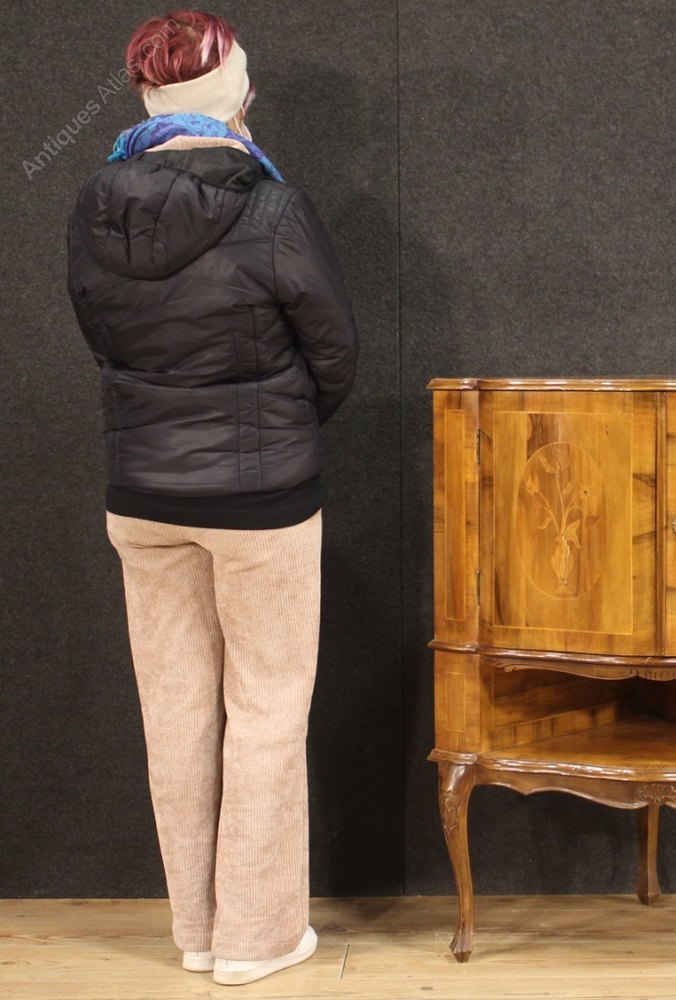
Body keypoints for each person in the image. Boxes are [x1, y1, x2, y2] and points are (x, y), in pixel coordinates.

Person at [66, 10, 358, 987]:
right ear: (230, 94)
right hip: (263, 496)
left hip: (140, 494)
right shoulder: (270, 206)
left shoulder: (94, 199)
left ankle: (195, 930)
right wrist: (277, 425)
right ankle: (257, 939)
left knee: (177, 710)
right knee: (267, 711)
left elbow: (106, 342)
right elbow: (336, 355)